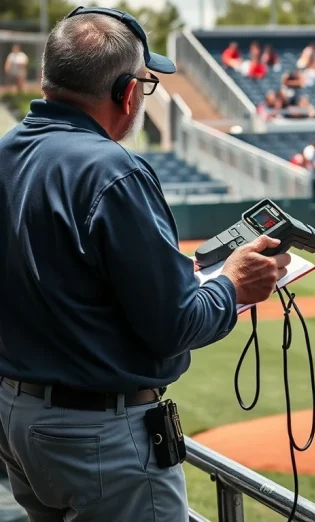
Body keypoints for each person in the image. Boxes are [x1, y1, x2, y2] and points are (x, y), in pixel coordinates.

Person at [0, 6, 291, 521]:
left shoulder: (7, 152)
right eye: (144, 83)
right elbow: (174, 324)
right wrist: (233, 286)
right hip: (96, 437)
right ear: (126, 92)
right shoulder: (113, 169)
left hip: (16, 419)